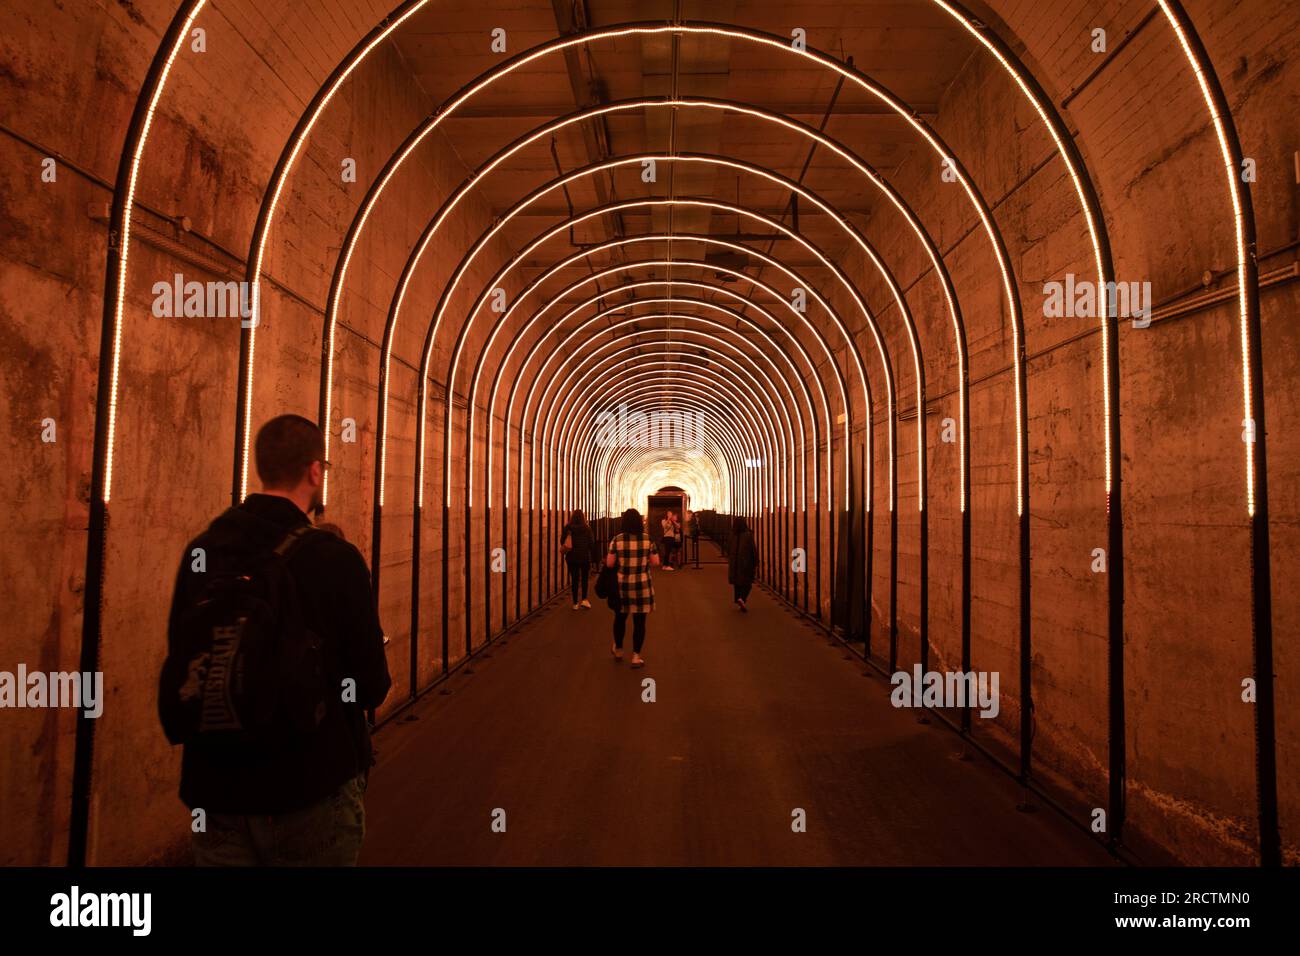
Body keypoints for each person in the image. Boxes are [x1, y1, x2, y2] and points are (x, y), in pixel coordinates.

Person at [163, 414, 391, 865]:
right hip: (309, 786)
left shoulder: (203, 550)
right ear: (314, 471)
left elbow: (185, 655)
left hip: (216, 788)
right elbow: (369, 684)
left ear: (260, 467)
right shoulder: (335, 558)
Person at [606, 508, 660, 667]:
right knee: (639, 622)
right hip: (642, 586)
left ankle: (619, 649)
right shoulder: (648, 540)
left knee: (620, 619)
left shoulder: (617, 540)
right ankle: (636, 656)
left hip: (622, 587)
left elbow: (609, 563)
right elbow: (656, 562)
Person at [562, 508, 596, 609]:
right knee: (584, 579)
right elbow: (591, 544)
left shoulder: (568, 528)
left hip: (572, 558)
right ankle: (584, 600)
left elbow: (562, 541)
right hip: (584, 557)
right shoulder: (587, 528)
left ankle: (575, 603)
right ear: (583, 517)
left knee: (575, 579)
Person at [728, 515, 759, 612]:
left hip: (734, 563)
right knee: (747, 583)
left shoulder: (733, 534)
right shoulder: (748, 535)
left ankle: (739, 599)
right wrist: (756, 562)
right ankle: (742, 598)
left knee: (737, 583)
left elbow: (729, 548)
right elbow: (753, 550)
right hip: (745, 563)